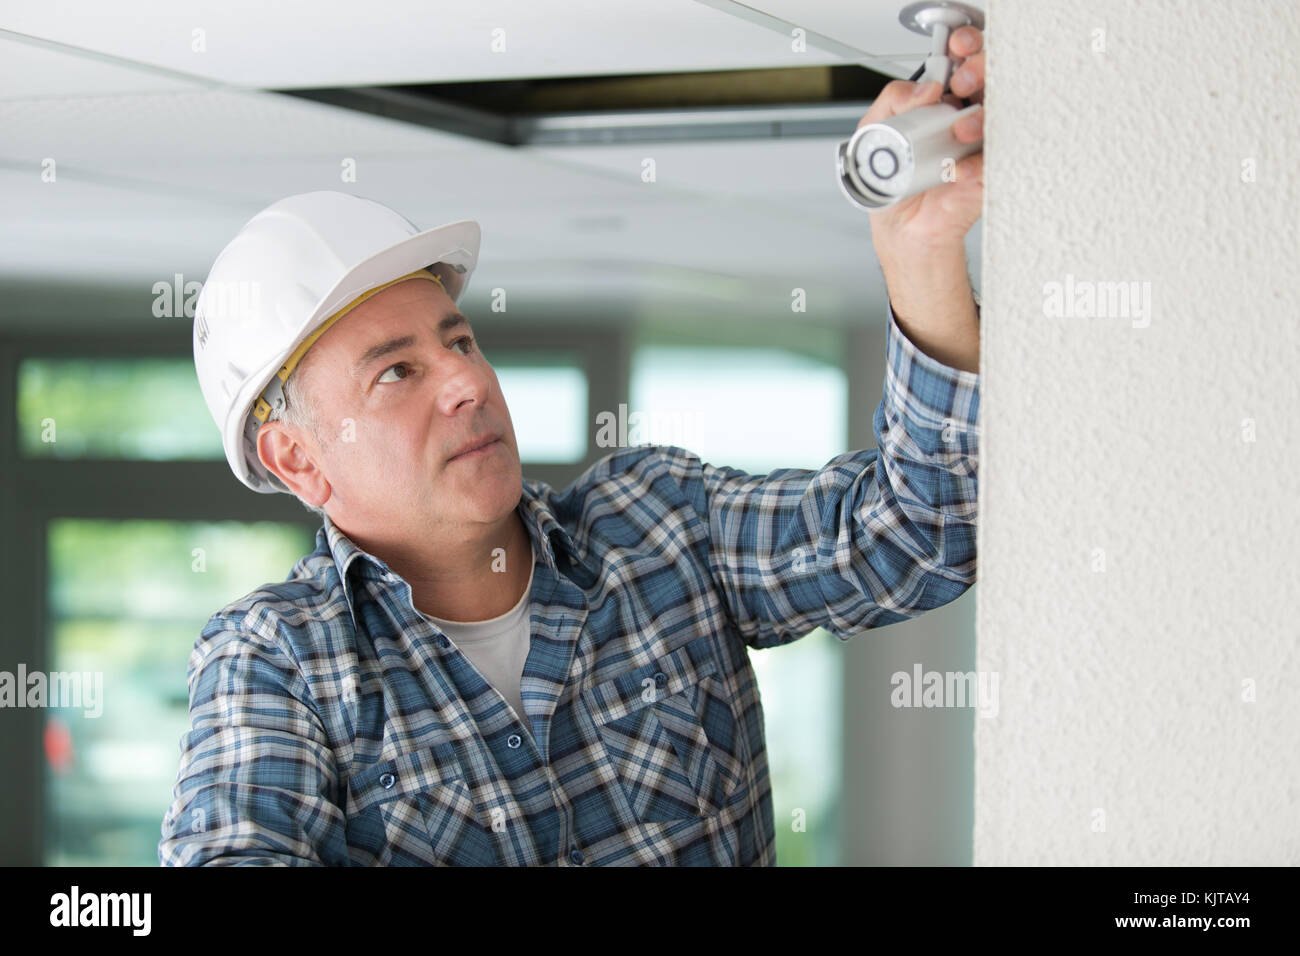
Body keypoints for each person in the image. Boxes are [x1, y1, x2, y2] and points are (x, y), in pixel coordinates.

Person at [160, 26, 987, 866]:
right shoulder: (282, 662)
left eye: (459, 341)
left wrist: (918, 252)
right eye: (397, 373)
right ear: (297, 460)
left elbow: (925, 528)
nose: (465, 383)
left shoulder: (658, 527)